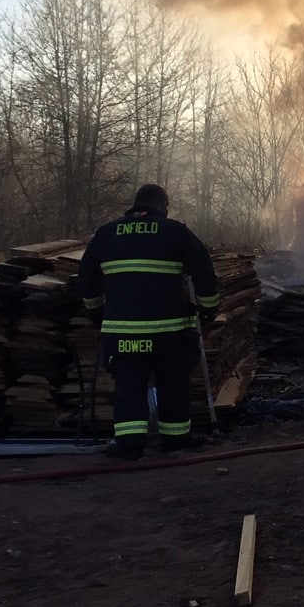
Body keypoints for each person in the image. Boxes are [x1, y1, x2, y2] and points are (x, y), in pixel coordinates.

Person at [77, 184, 220, 459]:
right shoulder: (175, 232)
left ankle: (130, 445)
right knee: (173, 384)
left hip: (123, 334)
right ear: (163, 205)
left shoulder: (107, 234)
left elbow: (87, 280)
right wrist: (208, 309)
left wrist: (96, 312)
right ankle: (175, 441)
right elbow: (204, 271)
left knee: (129, 386)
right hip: (169, 333)